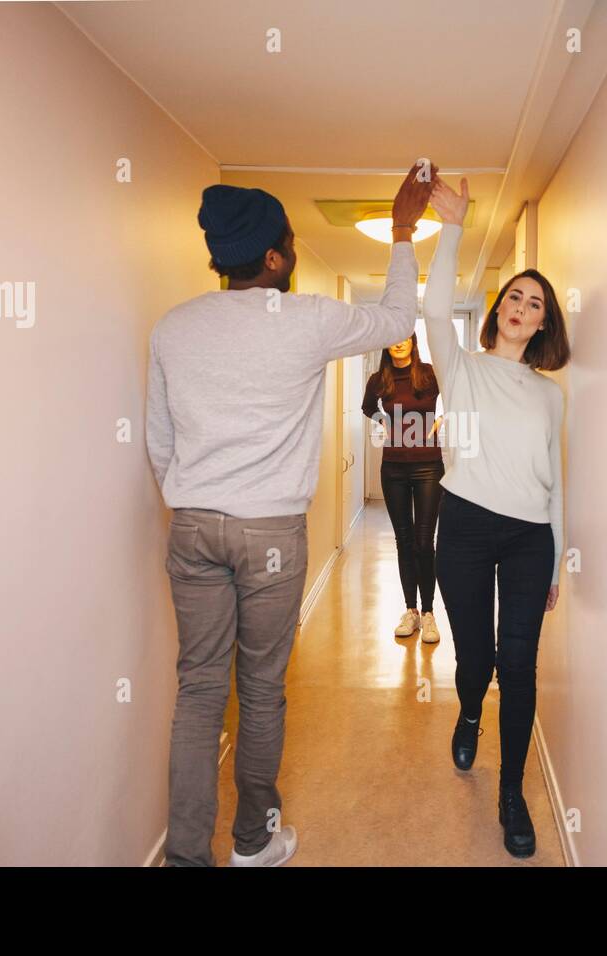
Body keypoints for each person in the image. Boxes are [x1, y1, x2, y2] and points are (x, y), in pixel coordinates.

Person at [145, 163, 437, 867]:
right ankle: (253, 842)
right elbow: (399, 319)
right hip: (269, 531)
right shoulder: (306, 318)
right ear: (273, 258)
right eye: (292, 243)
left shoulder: (174, 327)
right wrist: (401, 231)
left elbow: (159, 443)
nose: (297, 252)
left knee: (198, 692)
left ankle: (187, 859)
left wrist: (195, 499)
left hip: (192, 525)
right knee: (262, 690)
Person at [423, 174, 570, 858]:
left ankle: (512, 795)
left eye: (533, 302)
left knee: (521, 664)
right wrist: (451, 226)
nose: (521, 305)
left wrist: (558, 554)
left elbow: (554, 478)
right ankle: (470, 709)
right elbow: (431, 305)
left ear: (544, 322)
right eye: (514, 295)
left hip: (528, 537)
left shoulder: (551, 396)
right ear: (498, 311)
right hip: (466, 526)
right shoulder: (463, 368)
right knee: (476, 657)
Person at [362, 333, 445, 643]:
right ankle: (410, 611)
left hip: (428, 466)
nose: (398, 343)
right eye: (393, 338)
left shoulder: (429, 373)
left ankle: (429, 613)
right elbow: (367, 406)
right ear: (387, 344)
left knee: (424, 542)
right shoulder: (379, 379)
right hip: (393, 467)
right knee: (404, 541)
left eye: (404, 338)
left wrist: (442, 421)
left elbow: (462, 394)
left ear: (413, 342)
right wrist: (382, 420)